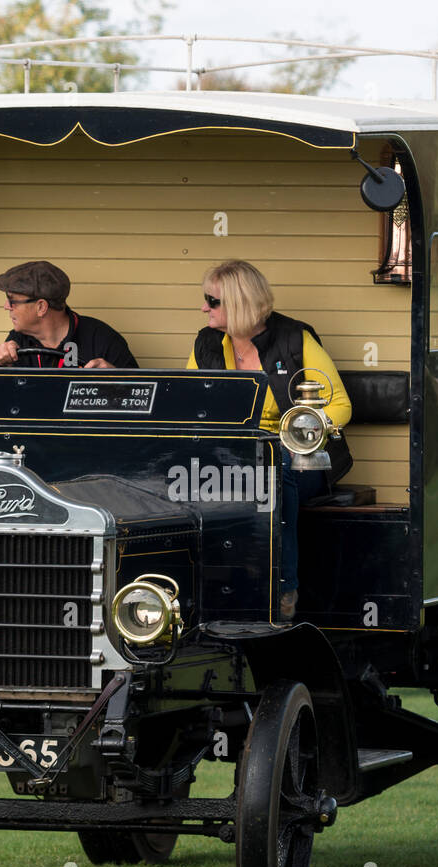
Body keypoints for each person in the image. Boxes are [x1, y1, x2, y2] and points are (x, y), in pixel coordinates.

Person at [187, 260, 352, 620]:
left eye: (212, 301)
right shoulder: (207, 343)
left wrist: (297, 437)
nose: (203, 308)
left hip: (297, 458)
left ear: (239, 303)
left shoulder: (295, 339)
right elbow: (188, 402)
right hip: (230, 457)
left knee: (276, 477)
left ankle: (282, 588)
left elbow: (340, 405)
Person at [0, 261, 137, 369]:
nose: (6, 307)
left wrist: (116, 378)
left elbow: (141, 397)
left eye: (12, 301)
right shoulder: (17, 341)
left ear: (41, 307)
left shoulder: (102, 339)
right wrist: (4, 365)